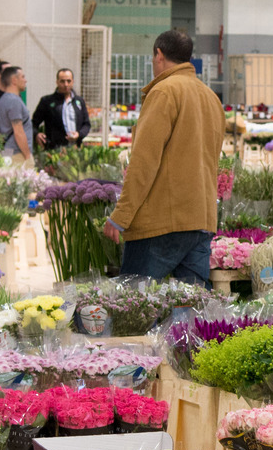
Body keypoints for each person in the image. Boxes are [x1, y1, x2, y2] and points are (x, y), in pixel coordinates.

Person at [104, 30, 224, 287]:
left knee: (134, 308)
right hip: (200, 220)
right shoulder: (211, 98)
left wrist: (120, 216)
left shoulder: (164, 92)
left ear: (158, 54)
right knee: (190, 313)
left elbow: (143, 163)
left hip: (161, 223)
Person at [34, 68, 91, 149]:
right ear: (57, 82)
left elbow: (86, 124)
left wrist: (79, 134)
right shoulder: (47, 101)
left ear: (73, 82)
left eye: (68, 81)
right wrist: (36, 134)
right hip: (55, 150)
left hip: (76, 149)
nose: (66, 84)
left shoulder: (79, 101)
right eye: (62, 81)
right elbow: (33, 123)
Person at [0, 65, 34, 162]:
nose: (25, 80)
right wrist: (28, 156)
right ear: (14, 80)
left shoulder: (4, 99)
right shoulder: (13, 101)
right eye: (22, 77)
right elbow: (18, 132)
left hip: (9, 151)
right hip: (18, 154)